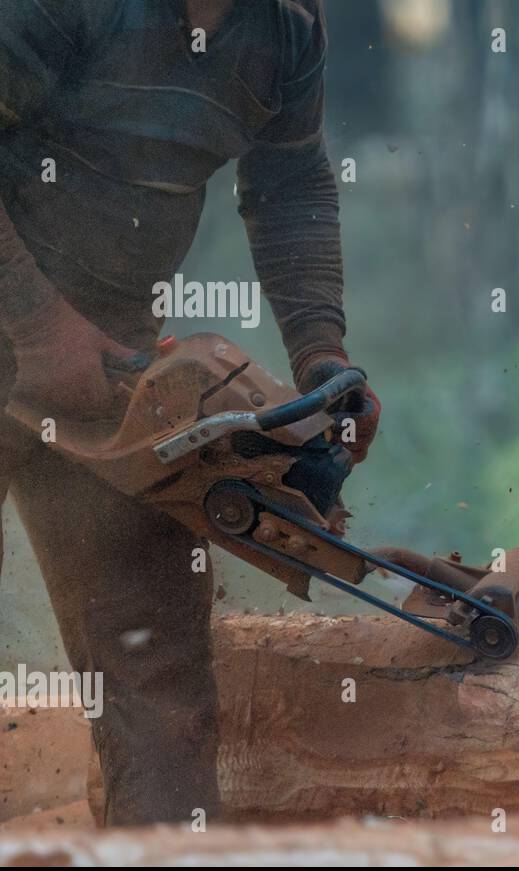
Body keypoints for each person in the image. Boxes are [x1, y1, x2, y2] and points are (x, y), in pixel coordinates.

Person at [0, 0, 380, 825]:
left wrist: (322, 357)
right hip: (39, 321)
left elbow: (291, 182)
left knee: (160, 693)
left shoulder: (287, 26)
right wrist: (34, 320)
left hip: (107, 356)